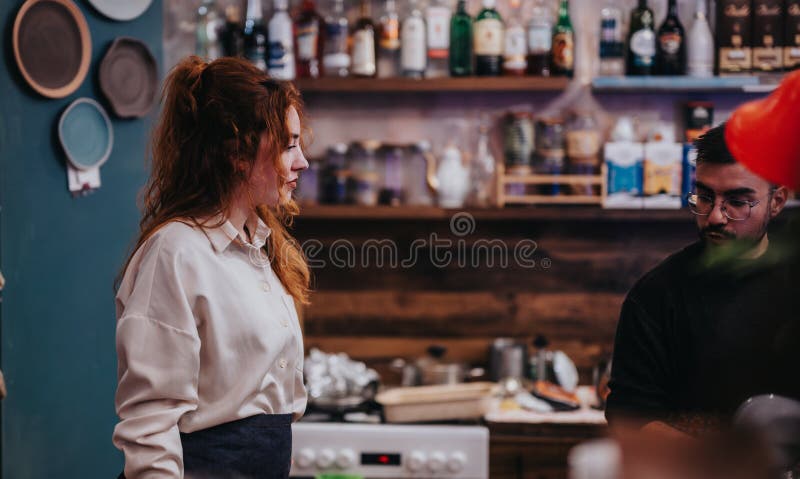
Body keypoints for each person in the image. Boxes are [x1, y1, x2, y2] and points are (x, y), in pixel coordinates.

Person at [112, 56, 310, 478]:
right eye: (288, 144)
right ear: (238, 152)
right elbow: (151, 423)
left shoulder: (261, 249)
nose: (302, 162)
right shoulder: (176, 252)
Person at [605, 123, 799, 437]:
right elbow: (630, 415)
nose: (714, 217)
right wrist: (722, 463)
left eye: (737, 202)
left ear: (776, 202)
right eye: (705, 197)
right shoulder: (656, 294)